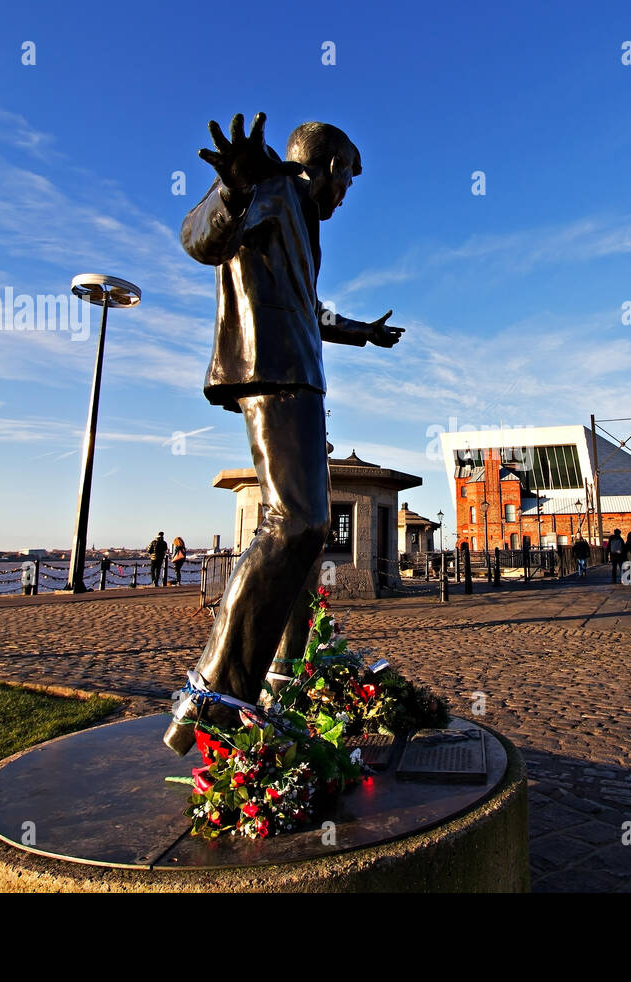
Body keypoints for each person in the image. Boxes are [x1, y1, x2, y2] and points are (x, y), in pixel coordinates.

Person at [164, 113, 403, 756]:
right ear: (324, 167)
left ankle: (281, 673)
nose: (345, 195)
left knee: (309, 529)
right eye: (346, 180)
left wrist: (363, 332)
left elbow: (308, 309)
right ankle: (212, 692)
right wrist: (233, 191)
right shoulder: (269, 185)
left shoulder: (300, 218)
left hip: (300, 373)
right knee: (292, 523)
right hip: (271, 371)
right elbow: (198, 238)